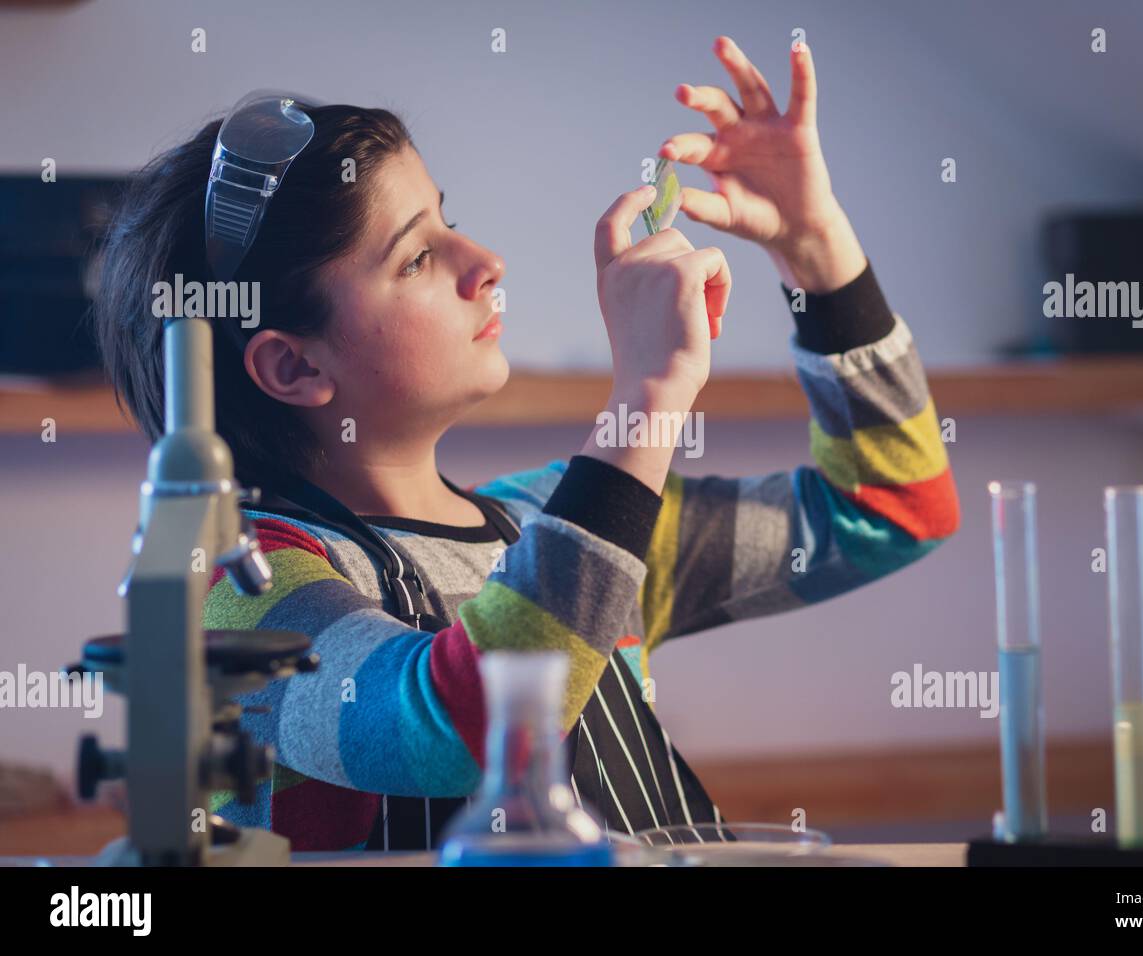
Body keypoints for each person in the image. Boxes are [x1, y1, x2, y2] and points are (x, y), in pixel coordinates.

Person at [93, 36, 959, 851]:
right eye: (416, 257)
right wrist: (649, 400)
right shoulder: (245, 596)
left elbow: (892, 509)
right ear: (291, 365)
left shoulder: (561, 518)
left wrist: (817, 251)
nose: (486, 260)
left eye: (449, 219)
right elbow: (454, 724)